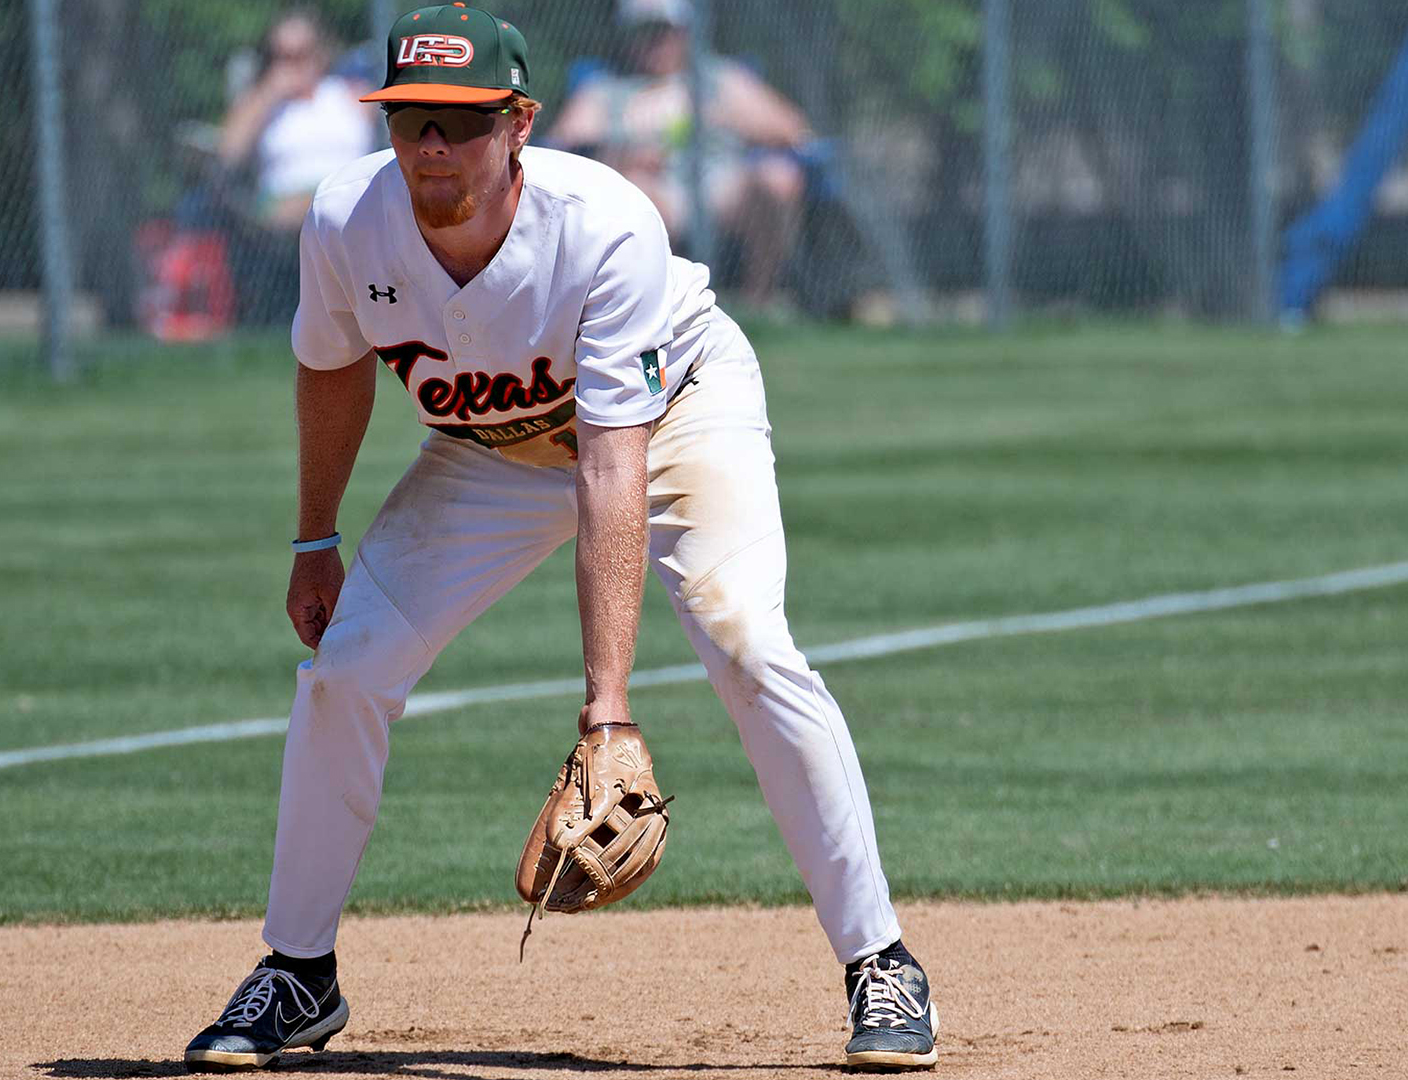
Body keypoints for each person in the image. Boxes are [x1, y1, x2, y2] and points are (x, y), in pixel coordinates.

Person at [182, 4, 939, 1074]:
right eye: (410, 121)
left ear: (520, 122)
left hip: (670, 410)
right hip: (490, 453)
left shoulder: (604, 225)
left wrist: (608, 709)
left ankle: (882, 963)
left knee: (744, 640)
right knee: (343, 670)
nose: (430, 148)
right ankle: (298, 972)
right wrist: (314, 539)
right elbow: (331, 368)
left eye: (460, 122)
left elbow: (611, 465)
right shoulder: (347, 219)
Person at [544, 0, 812, 314]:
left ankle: (759, 301)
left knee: (778, 178)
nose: (655, 42)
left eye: (664, 31)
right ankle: (655, 306)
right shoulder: (604, 90)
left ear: (685, 33)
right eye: (644, 32)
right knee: (636, 191)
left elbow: (794, 131)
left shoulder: (720, 79)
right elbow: (561, 150)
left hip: (720, 187)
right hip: (649, 191)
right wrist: (617, 159)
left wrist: (726, 116)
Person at [214, 10, 380, 234]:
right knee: (321, 205)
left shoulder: (348, 94)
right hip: (286, 211)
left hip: (356, 201)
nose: (292, 66)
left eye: (301, 55)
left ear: (319, 53)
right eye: (283, 56)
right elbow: (228, 151)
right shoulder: (262, 103)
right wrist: (268, 92)